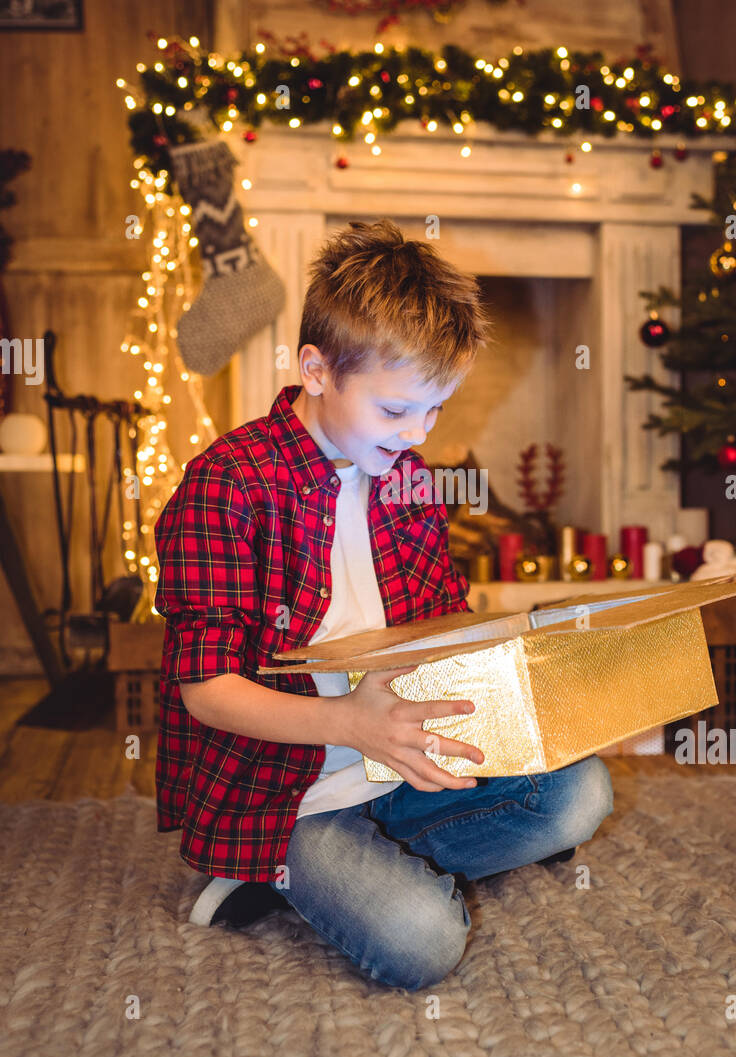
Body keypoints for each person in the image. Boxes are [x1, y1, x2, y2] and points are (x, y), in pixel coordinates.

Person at [153, 218, 614, 990]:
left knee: (579, 792)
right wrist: (348, 723)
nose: (416, 435)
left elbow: (439, 622)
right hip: (290, 793)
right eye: (397, 411)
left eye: (434, 412)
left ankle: (366, 866)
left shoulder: (404, 477)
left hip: (403, 764)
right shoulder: (227, 484)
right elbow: (206, 690)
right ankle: (279, 869)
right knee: (421, 941)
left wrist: (526, 681)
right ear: (317, 369)